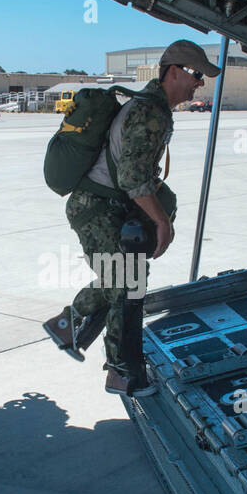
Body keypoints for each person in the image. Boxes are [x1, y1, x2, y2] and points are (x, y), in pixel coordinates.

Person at [43, 40, 220, 396]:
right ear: (173, 72)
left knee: (126, 278)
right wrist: (162, 222)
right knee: (126, 282)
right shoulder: (150, 112)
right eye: (196, 75)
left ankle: (68, 325)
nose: (200, 84)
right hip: (95, 208)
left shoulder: (153, 108)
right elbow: (132, 179)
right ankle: (121, 372)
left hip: (105, 206)